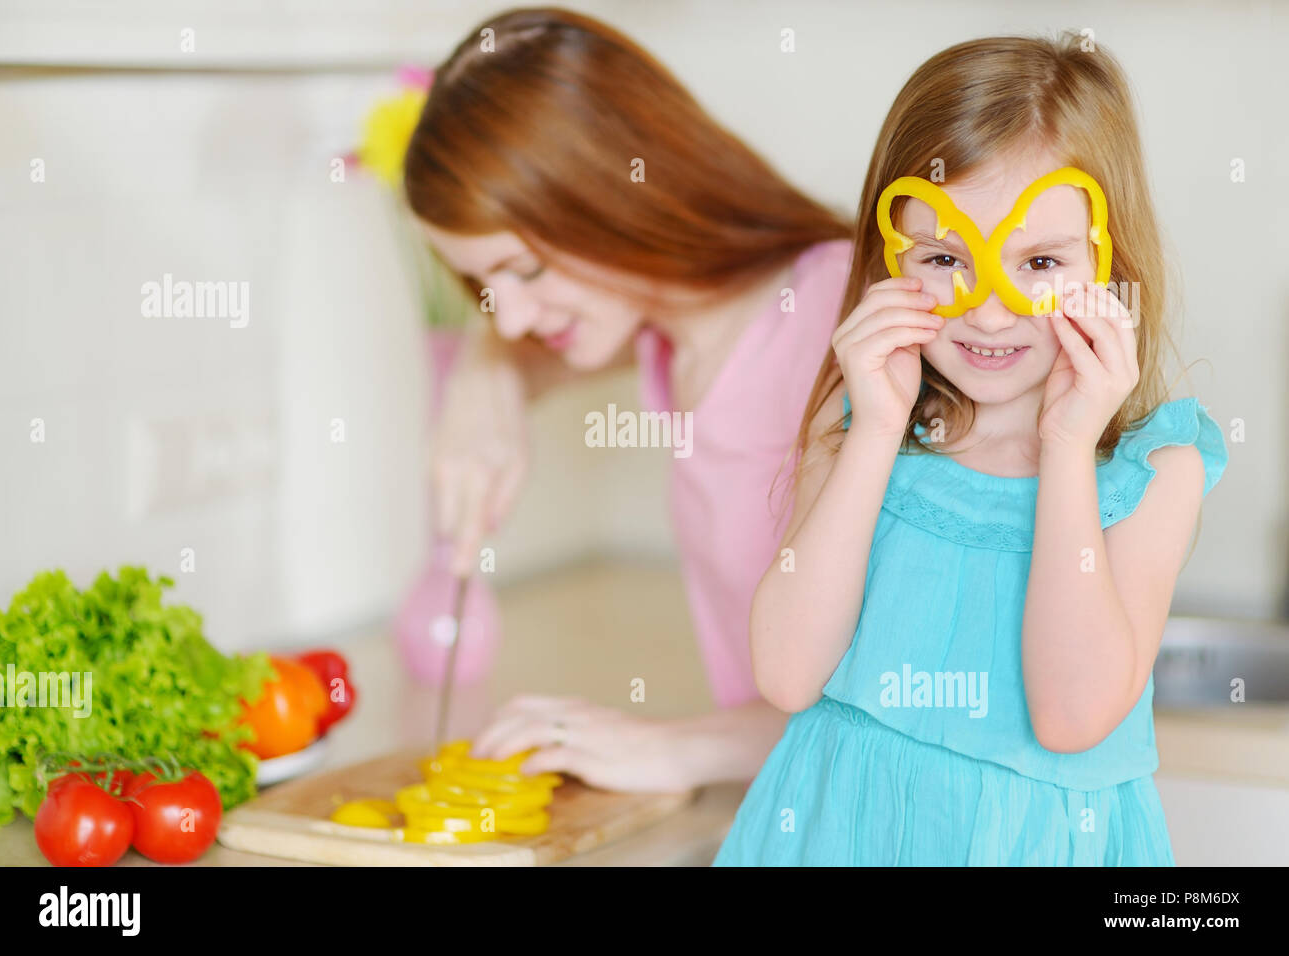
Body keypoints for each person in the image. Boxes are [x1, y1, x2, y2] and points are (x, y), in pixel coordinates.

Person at [714, 33, 1229, 865]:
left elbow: (1071, 716)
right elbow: (786, 674)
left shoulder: (1151, 474)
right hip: (835, 828)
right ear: (891, 255)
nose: (990, 312)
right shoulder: (857, 425)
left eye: (1040, 262)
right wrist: (876, 431)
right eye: (948, 258)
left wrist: (1066, 448)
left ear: (1107, 259)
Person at [403, 8, 853, 791]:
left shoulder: (834, 317)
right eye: (480, 284)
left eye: (525, 270)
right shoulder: (663, 336)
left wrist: (681, 749)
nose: (504, 315)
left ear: (613, 191)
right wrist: (485, 380)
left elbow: (920, 698)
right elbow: (517, 350)